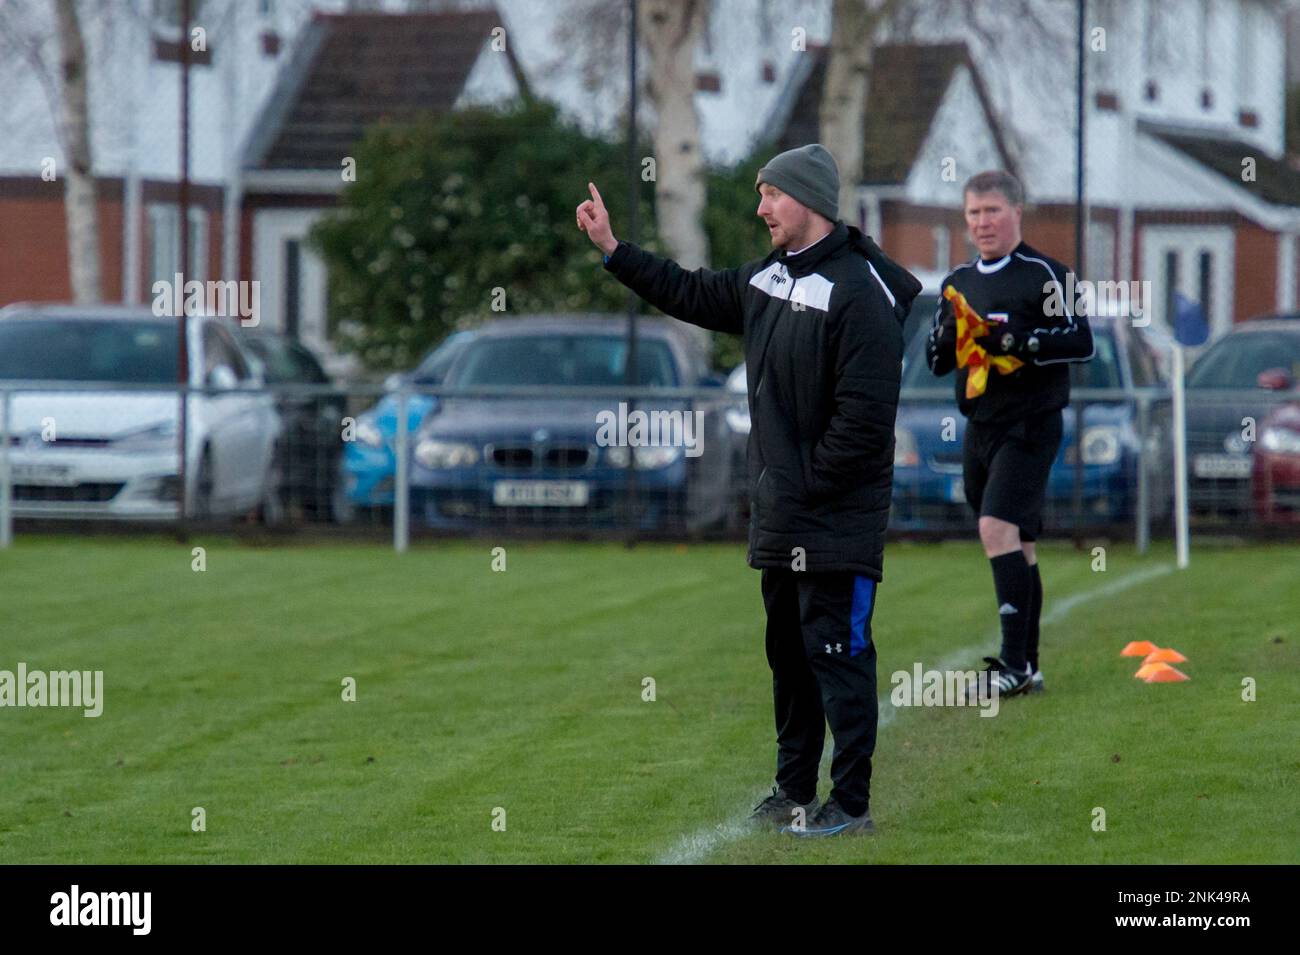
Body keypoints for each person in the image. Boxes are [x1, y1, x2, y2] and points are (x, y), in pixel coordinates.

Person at [577, 144, 920, 836]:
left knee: (839, 657)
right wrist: (614, 248)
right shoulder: (768, 277)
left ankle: (850, 803)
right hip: (782, 516)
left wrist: (803, 485)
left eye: (771, 195)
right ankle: (793, 789)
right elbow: (692, 292)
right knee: (788, 658)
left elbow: (863, 424)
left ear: (810, 202)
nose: (760, 207)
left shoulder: (859, 293)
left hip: (835, 521)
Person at [925, 170, 1094, 699]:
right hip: (982, 426)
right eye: (973, 213)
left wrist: (1018, 339)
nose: (982, 222)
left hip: (1031, 424)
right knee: (1019, 543)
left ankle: (1013, 666)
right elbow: (935, 360)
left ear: (1017, 211)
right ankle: (1032, 667)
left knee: (996, 528)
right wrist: (950, 338)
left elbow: (1080, 342)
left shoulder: (1046, 274)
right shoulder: (958, 281)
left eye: (992, 210)